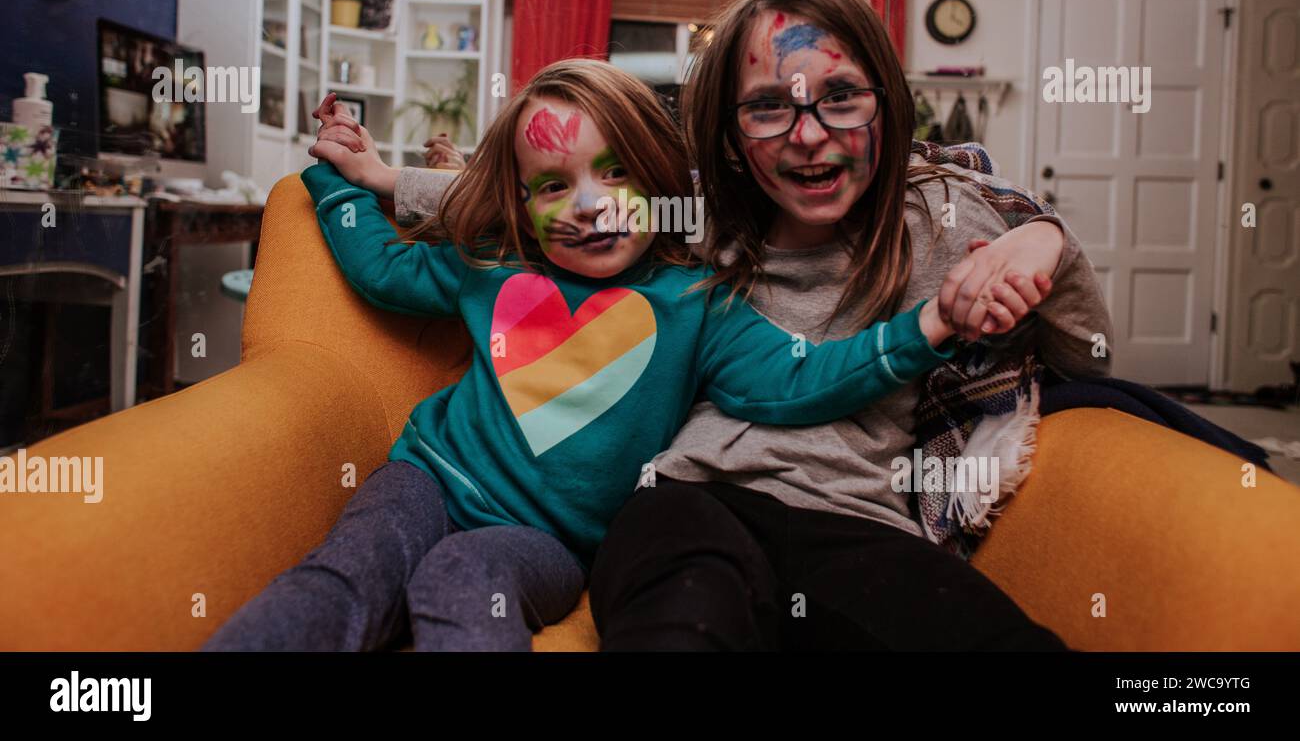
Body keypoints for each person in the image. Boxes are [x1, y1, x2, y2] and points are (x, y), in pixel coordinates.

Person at [204, 57, 1052, 652]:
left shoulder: (699, 301)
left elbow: (802, 378)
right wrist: (336, 179)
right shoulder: (490, 263)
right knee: (348, 576)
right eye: (551, 186)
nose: (588, 207)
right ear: (518, 200)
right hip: (423, 477)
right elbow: (382, 269)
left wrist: (929, 327)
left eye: (616, 176)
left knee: (464, 580)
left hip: (551, 542)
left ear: (660, 181)